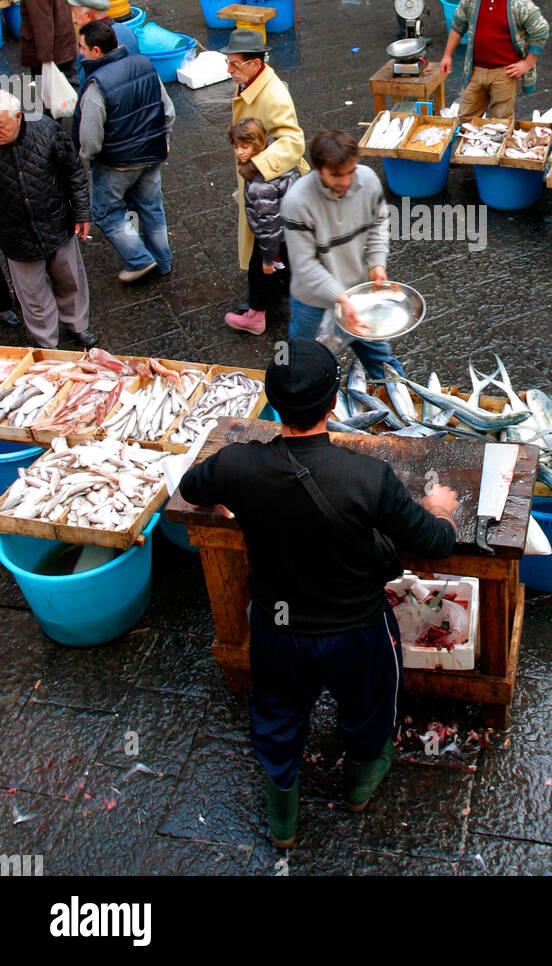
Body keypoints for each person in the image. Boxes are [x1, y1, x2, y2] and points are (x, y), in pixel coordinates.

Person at [178, 340, 459, 846]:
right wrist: (438, 505)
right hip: (357, 632)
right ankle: (359, 785)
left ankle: (283, 814)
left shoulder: (237, 466)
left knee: (278, 712)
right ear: (333, 404)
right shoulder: (367, 477)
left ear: (273, 405)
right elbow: (435, 542)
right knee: (370, 708)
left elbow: (193, 486)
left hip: (278, 627)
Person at [283, 129, 403, 375]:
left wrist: (377, 264)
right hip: (312, 302)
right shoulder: (297, 201)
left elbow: (379, 224)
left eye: (351, 171)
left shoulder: (367, 180)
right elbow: (305, 266)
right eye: (336, 175)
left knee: (384, 366)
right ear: (317, 169)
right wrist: (340, 298)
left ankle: (400, 406)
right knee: (303, 364)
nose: (346, 181)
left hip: (358, 291)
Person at [72, 18, 175, 284]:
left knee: (106, 212)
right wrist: (163, 138)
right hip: (152, 155)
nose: (79, 52)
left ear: (96, 50)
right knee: (152, 209)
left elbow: (91, 138)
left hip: (116, 163)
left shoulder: (96, 85)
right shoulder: (145, 65)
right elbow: (168, 111)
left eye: (82, 47)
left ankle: (140, 259)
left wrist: (87, 158)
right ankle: (163, 261)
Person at [0, 89, 96, 348]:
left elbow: (73, 172)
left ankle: (78, 325)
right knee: (32, 295)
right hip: (14, 235)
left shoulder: (46, 130)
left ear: (18, 117)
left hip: (55, 222)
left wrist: (82, 211)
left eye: (1, 126)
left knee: (70, 280)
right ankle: (47, 344)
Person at [226, 31, 308, 331]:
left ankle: (260, 308)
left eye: (235, 64)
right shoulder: (250, 83)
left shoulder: (273, 94)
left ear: (254, 63)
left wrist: (257, 166)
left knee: (266, 242)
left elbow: (294, 141)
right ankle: (278, 296)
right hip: (269, 183)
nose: (229, 70)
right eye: (229, 63)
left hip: (269, 184)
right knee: (279, 245)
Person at [440, 0, 549, 119]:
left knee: (501, 125)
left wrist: (527, 64)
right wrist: (447, 55)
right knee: (466, 119)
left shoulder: (518, 2)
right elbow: (458, 25)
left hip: (504, 74)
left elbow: (541, 30)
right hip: (475, 70)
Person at [225, 117, 298, 337]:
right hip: (293, 232)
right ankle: (299, 307)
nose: (239, 152)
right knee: (292, 272)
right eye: (236, 147)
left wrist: (268, 258)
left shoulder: (260, 184)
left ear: (258, 144)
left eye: (244, 147)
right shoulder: (280, 156)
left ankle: (256, 317)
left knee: (260, 273)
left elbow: (269, 224)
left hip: (275, 239)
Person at [68, 0, 140, 87]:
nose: (74, 19)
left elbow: (86, 85)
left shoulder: (89, 45)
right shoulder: (126, 29)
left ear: (88, 16)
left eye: (75, 14)